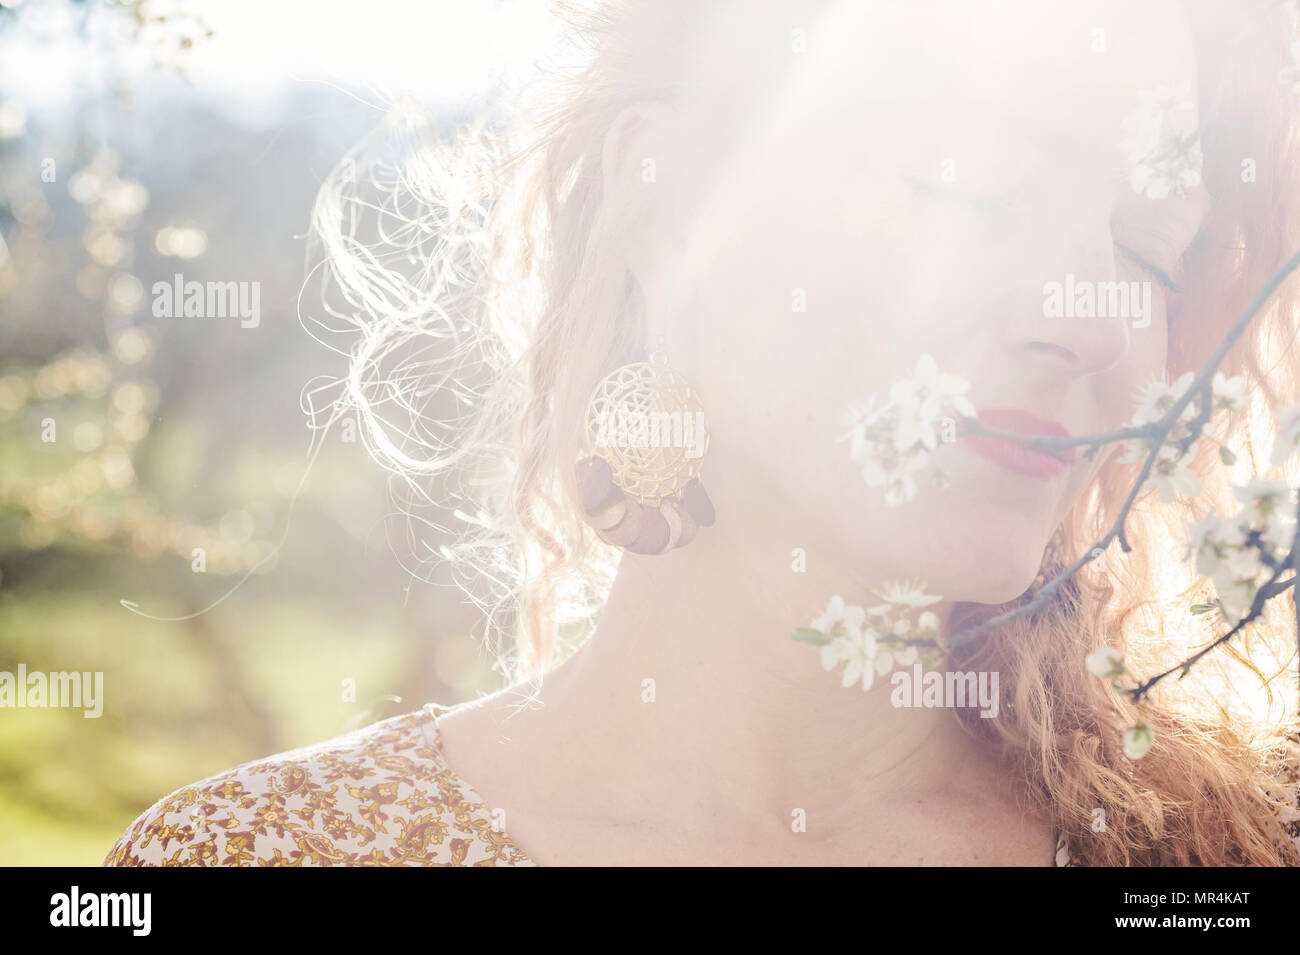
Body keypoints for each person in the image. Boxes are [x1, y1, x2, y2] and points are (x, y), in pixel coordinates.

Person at [106, 0, 1300, 867]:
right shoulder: (255, 857)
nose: (1081, 314)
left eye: (1152, 243)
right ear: (672, 208)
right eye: (971, 184)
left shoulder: (1229, 857)